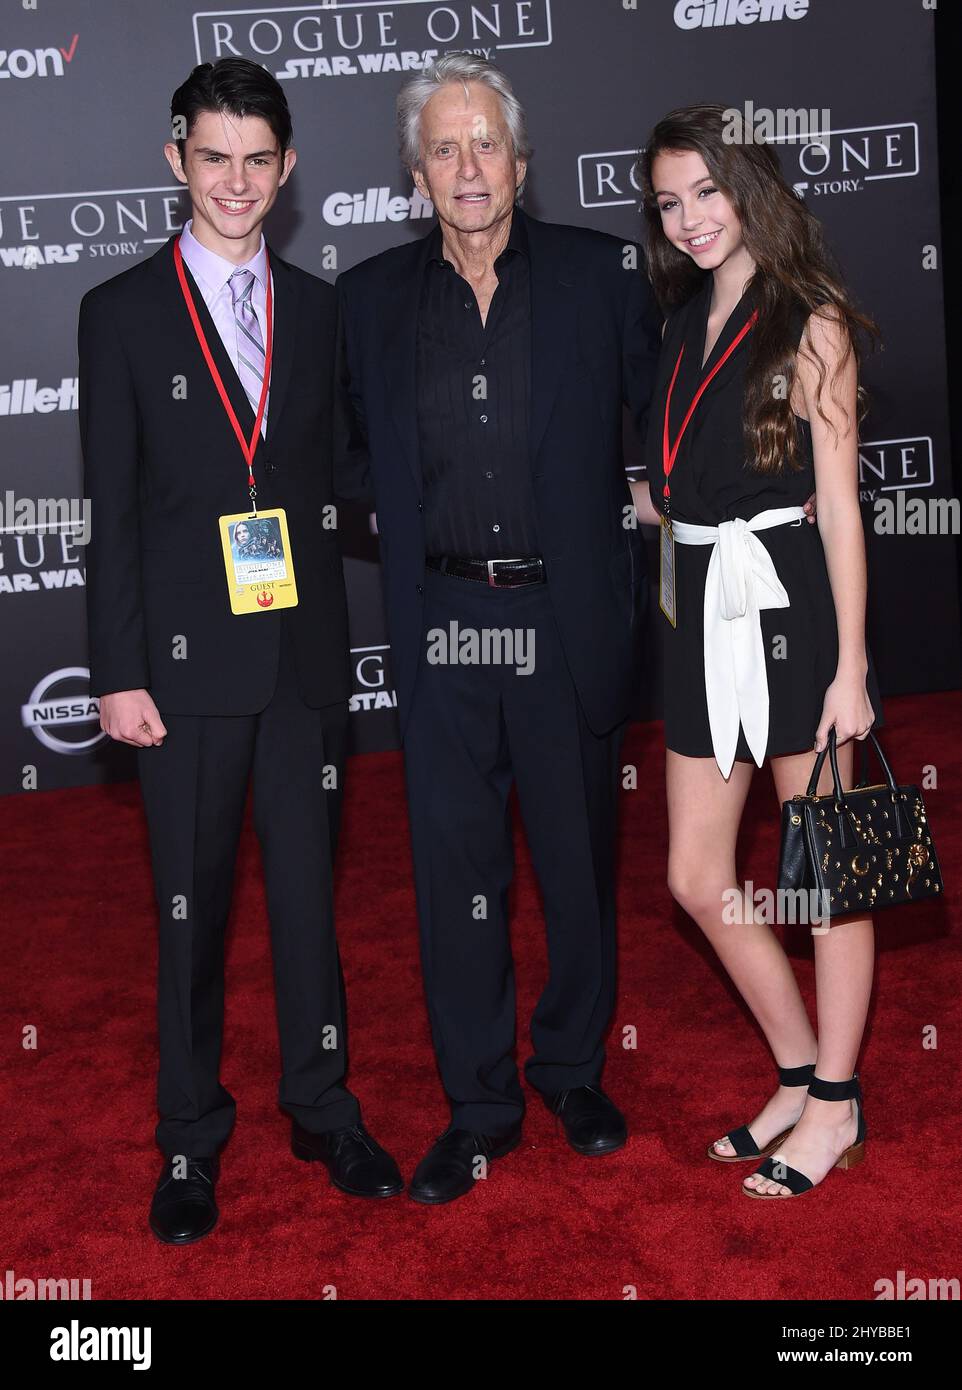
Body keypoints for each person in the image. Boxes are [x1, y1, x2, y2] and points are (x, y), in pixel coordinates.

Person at [79, 57, 402, 1244]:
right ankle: (188, 1137)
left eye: (257, 159)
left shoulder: (320, 313)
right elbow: (110, 507)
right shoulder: (117, 312)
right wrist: (116, 671)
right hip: (177, 674)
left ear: (288, 168)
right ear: (177, 162)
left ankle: (321, 1107)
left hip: (306, 669)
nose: (235, 180)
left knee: (313, 905)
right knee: (190, 910)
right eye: (212, 157)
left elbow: (351, 476)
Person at [335, 52, 663, 1204]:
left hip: (562, 615)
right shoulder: (368, 301)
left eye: (484, 144)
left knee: (576, 862)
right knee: (455, 874)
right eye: (442, 147)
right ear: (414, 175)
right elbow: (333, 452)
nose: (465, 166)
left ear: (519, 162)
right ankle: (478, 1105)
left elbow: (673, 412)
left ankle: (571, 1068)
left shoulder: (599, 276)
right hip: (441, 624)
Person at [632, 104, 884, 1198]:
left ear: (747, 187)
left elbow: (838, 507)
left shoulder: (810, 315)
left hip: (795, 618)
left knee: (826, 876)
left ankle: (833, 1103)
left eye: (704, 191)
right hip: (700, 615)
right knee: (695, 874)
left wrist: (850, 668)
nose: (688, 218)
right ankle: (793, 1071)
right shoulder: (681, 317)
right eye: (668, 201)